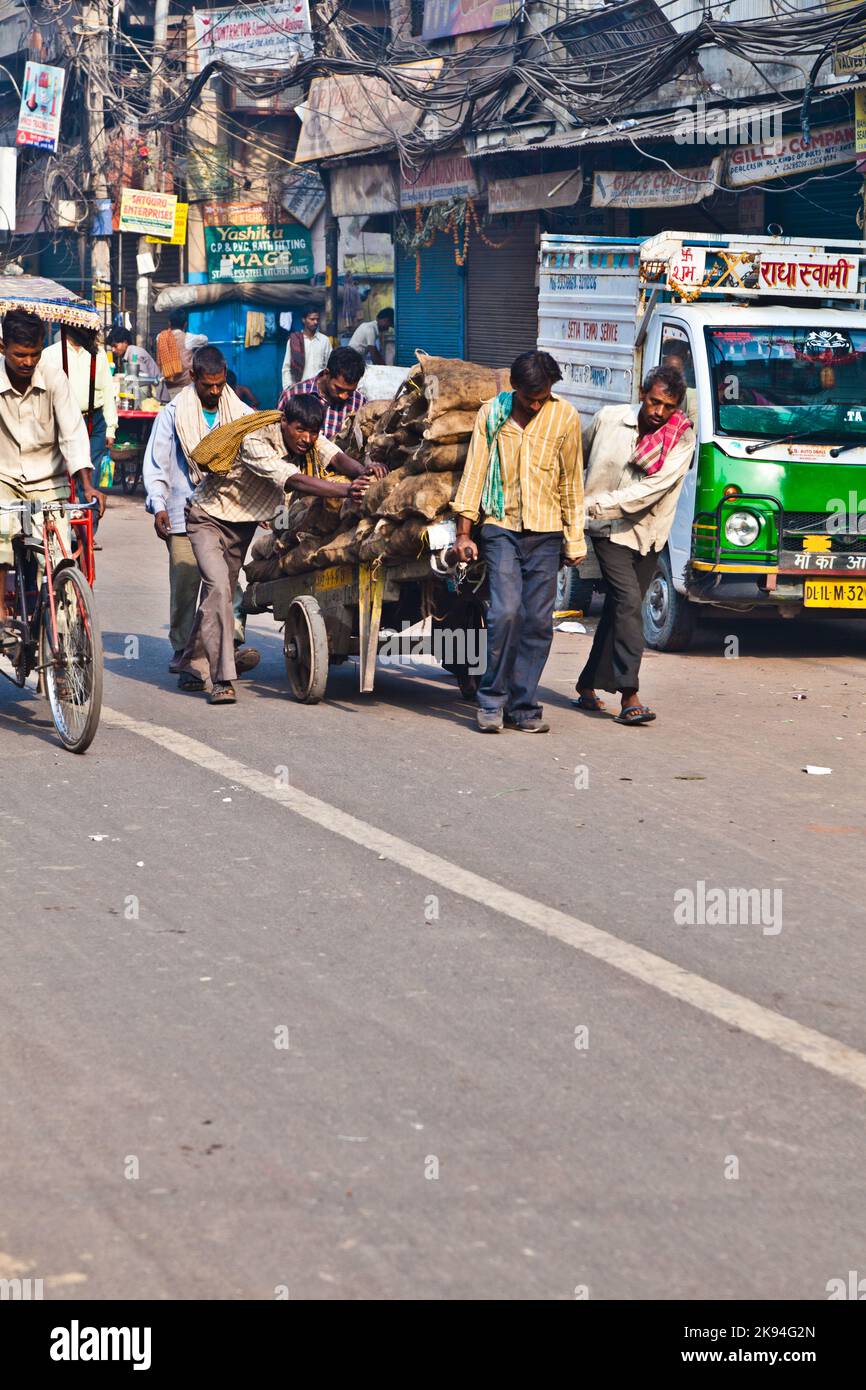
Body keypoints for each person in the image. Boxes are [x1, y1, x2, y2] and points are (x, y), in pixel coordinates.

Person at [175, 391, 380, 705]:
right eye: (300, 430)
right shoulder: (256, 441)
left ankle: (192, 663)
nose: (307, 438)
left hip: (241, 528)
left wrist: (364, 471)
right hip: (207, 518)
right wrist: (344, 490)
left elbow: (336, 456)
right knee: (218, 588)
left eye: (312, 432)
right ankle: (222, 678)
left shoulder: (311, 438)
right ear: (285, 422)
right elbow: (295, 480)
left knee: (218, 595)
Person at [452, 350, 585, 734]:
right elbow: (475, 471)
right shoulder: (492, 415)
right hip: (500, 526)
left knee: (538, 622)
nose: (537, 403)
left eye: (543, 395)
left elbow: (570, 480)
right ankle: (492, 699)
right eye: (530, 397)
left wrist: (574, 539)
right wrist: (463, 533)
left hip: (546, 531)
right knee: (505, 613)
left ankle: (524, 705)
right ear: (515, 388)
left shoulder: (565, 416)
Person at [574, 364, 694, 726]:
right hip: (607, 528)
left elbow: (651, 490)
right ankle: (630, 694)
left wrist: (594, 502)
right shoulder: (609, 419)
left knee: (617, 610)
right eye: (654, 402)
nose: (659, 413)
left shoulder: (682, 438)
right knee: (628, 602)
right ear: (642, 393)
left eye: (668, 407)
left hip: (648, 532)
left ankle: (586, 685)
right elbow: (576, 456)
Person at [142, 345, 258, 673]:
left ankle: (228, 646)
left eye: (220, 384)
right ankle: (183, 650)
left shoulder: (238, 412)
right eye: (208, 385)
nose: (215, 391)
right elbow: (157, 462)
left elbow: (257, 459)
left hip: (226, 510)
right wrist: (159, 504)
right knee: (186, 581)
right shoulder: (173, 413)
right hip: (183, 510)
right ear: (193, 378)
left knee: (227, 583)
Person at [0, 309, 104, 635]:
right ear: (2, 347)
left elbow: (73, 432)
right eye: (20, 354)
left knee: (60, 558)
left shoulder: (54, 375)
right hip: (3, 479)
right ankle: (2, 609)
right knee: (0, 538)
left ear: (42, 346)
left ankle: (67, 637)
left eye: (33, 354)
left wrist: (88, 485)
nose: (28, 362)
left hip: (49, 480)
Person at [42, 324, 118, 469]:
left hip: (94, 419)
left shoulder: (98, 353)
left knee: (91, 469)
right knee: (68, 470)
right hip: (63, 420)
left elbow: (107, 390)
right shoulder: (51, 354)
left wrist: (110, 428)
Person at [278, 346, 366, 439]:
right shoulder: (294, 394)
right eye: (339, 389)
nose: (344, 396)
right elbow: (276, 434)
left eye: (350, 392)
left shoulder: (360, 403)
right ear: (326, 374)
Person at [155, 309, 208, 400]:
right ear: (185, 324)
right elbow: (205, 339)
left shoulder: (160, 337)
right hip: (185, 387)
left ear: (169, 323)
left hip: (166, 387)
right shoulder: (188, 338)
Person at [281, 306, 331, 390]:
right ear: (303, 320)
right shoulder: (294, 341)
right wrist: (288, 387)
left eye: (317, 319)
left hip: (319, 389)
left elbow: (329, 366)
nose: (315, 322)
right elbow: (287, 367)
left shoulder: (324, 340)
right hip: (299, 388)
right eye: (312, 319)